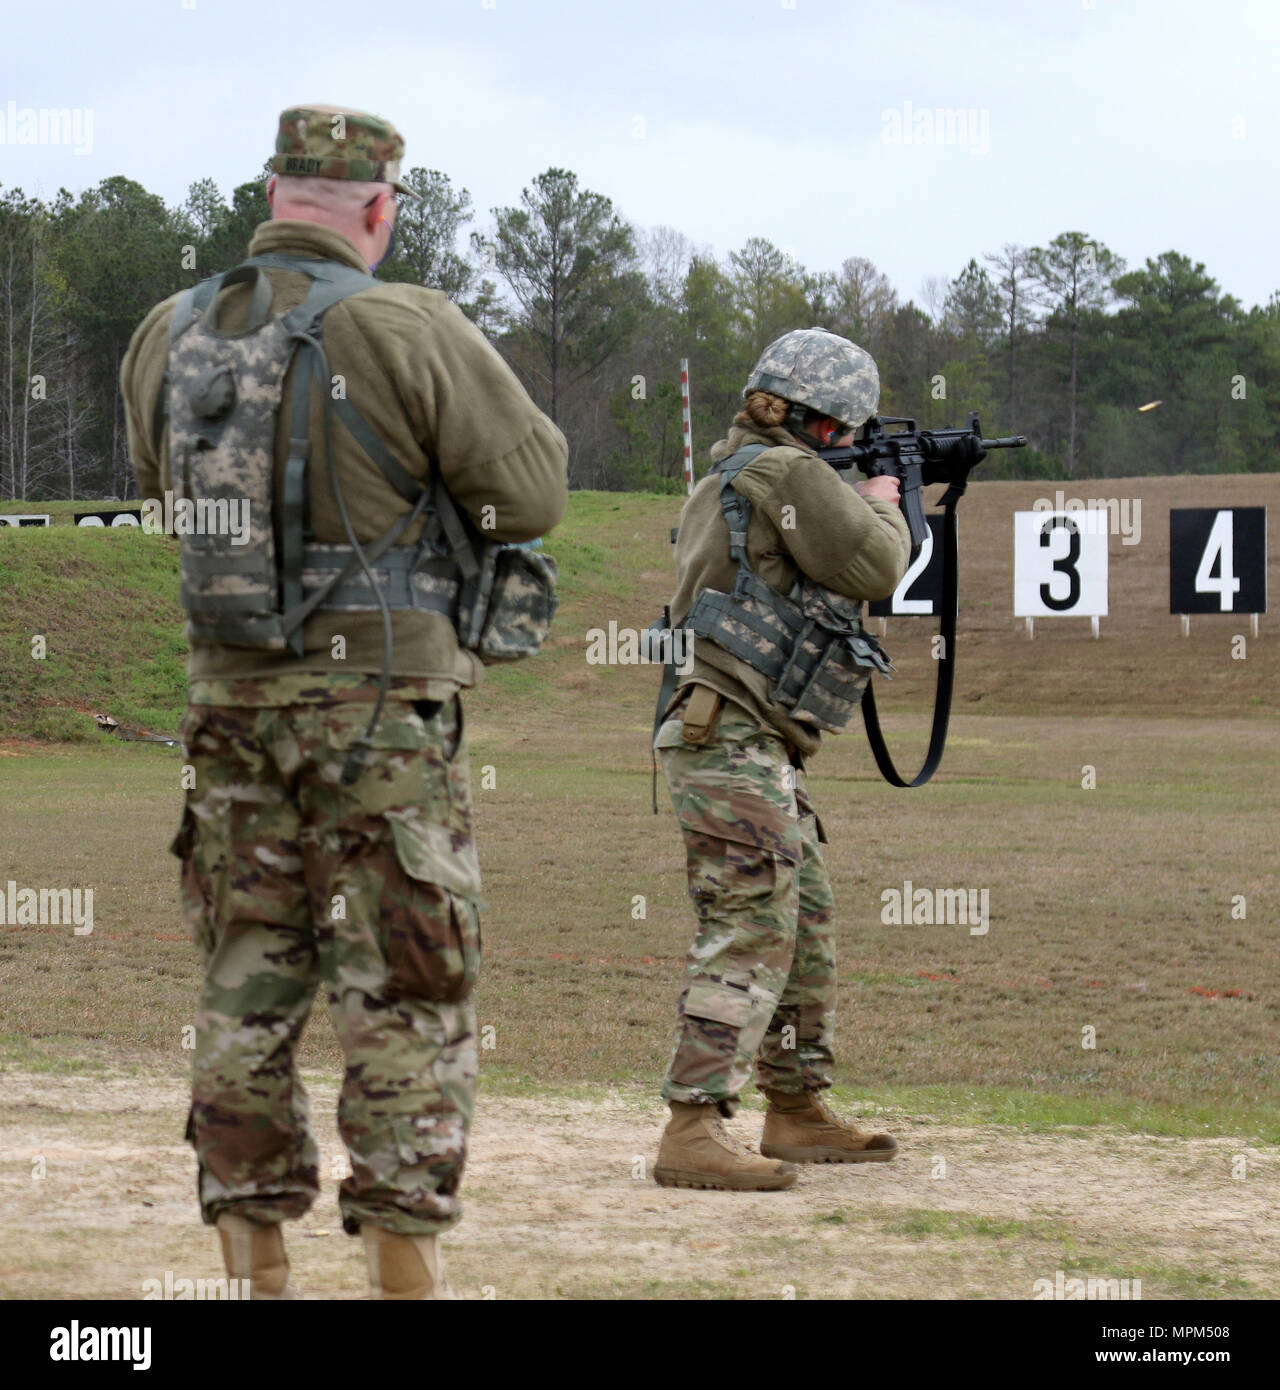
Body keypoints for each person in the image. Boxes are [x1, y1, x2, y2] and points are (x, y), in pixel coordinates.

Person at [120, 104, 568, 1296]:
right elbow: (527, 498)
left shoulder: (168, 331)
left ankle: (253, 1259)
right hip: (379, 706)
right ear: (376, 210)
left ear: (273, 196)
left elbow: (158, 484)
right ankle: (404, 1267)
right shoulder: (405, 321)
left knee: (245, 971)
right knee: (407, 978)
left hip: (228, 701)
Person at [652, 327, 910, 1191]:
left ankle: (794, 1110)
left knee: (806, 925)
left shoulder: (740, 471)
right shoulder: (787, 473)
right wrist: (884, 499)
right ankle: (692, 1125)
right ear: (812, 419)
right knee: (754, 923)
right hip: (727, 734)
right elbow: (876, 565)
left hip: (739, 735)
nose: (845, 444)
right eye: (844, 430)